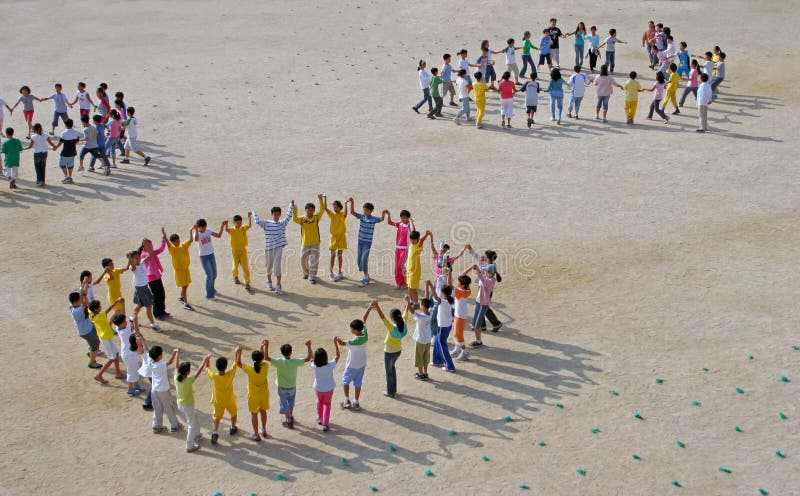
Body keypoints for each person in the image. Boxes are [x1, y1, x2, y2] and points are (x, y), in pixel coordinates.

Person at [264, 339, 313, 429]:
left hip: (282, 386)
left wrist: (266, 345)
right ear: (291, 352)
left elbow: (266, 358)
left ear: (282, 353)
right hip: (292, 386)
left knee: (284, 402)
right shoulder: (295, 362)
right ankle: (290, 415)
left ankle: (288, 418)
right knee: (291, 402)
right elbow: (309, 358)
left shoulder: (279, 362)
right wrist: (309, 346)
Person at [139, 345, 182, 434]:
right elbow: (170, 362)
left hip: (154, 390)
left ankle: (156, 426)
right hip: (163, 390)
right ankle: (174, 425)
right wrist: (175, 353)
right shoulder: (161, 364)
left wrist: (143, 342)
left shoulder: (150, 362)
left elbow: (147, 350)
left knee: (157, 408)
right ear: (159, 356)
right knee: (168, 407)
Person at [253, 201, 294, 294]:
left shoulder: (282, 223)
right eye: (274, 214)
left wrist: (291, 205)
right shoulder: (266, 223)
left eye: (278, 214)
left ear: (280, 215)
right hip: (269, 248)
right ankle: (269, 281)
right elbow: (257, 221)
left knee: (277, 266)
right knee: (269, 266)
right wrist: (253, 212)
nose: (276, 216)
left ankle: (279, 285)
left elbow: (289, 216)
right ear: (272, 215)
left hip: (278, 247)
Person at [373, 299, 411, 398]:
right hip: (398, 351)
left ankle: (390, 392)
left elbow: (383, 318)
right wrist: (408, 303)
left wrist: (377, 306)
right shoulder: (404, 325)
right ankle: (393, 389)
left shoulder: (392, 327)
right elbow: (405, 313)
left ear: (393, 319)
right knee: (392, 369)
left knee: (389, 372)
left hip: (389, 352)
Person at [175, 351, 210, 452]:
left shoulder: (176, 378)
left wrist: (177, 354)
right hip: (187, 405)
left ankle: (197, 434)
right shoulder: (188, 381)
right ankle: (189, 445)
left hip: (181, 404)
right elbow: (198, 372)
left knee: (193, 418)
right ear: (187, 372)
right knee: (191, 425)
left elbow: (176, 366)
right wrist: (204, 360)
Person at [338, 303, 371, 410]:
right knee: (358, 383)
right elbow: (364, 319)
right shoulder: (364, 334)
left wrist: (336, 339)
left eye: (352, 329)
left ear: (356, 330)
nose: (351, 330)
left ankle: (347, 400)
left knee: (345, 381)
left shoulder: (354, 341)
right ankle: (356, 402)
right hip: (362, 364)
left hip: (352, 365)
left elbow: (342, 343)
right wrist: (369, 308)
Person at [235, 341, 270, 441]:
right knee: (263, 411)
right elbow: (261, 359)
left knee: (254, 414)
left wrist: (239, 352)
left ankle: (256, 434)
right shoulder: (265, 366)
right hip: (264, 394)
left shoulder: (250, 369)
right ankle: (263, 429)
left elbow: (238, 363)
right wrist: (261, 347)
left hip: (253, 395)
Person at [88, 298, 126, 383]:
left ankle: (118, 373)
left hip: (106, 337)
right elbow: (108, 310)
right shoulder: (100, 316)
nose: (101, 307)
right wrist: (116, 302)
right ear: (95, 309)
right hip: (106, 338)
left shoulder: (91, 315)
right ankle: (99, 375)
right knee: (112, 358)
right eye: (99, 306)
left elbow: (88, 308)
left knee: (116, 354)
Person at [348, 198, 385, 286]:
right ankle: (366, 274)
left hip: (367, 242)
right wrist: (352, 202)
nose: (364, 211)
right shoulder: (362, 217)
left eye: (366, 210)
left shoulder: (374, 219)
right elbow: (353, 213)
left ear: (371, 211)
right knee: (359, 259)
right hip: (360, 241)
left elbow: (381, 219)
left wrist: (383, 213)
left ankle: (366, 277)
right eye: (364, 210)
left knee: (364, 259)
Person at [68, 280, 103, 370]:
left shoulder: (72, 307)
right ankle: (92, 362)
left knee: (93, 343)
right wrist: (83, 286)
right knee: (96, 344)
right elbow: (86, 304)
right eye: (80, 300)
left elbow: (81, 295)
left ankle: (91, 352)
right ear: (76, 301)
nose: (81, 301)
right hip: (87, 331)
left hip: (85, 329)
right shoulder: (78, 310)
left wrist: (83, 284)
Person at [293, 194, 326, 284]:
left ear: (314, 210)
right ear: (305, 210)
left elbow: (322, 210)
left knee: (314, 260)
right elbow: (294, 219)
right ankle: (306, 272)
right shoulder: (302, 219)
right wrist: (294, 207)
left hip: (315, 243)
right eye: (308, 209)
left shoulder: (316, 218)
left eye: (312, 209)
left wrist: (320, 199)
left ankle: (312, 276)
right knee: (303, 259)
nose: (310, 211)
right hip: (305, 243)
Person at [206, 352, 238, 445]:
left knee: (217, 417)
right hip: (229, 399)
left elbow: (207, 368)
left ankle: (215, 432)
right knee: (233, 414)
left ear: (217, 366)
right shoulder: (229, 374)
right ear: (225, 366)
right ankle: (232, 427)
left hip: (218, 400)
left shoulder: (214, 376)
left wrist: (208, 358)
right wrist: (237, 352)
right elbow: (235, 364)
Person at [126, 249, 161, 331]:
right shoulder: (132, 266)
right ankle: (153, 324)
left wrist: (146, 245)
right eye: (136, 258)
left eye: (139, 256)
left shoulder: (142, 261)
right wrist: (129, 259)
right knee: (149, 307)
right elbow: (134, 268)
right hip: (140, 289)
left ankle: (132, 318)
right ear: (132, 259)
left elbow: (151, 254)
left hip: (145, 287)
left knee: (140, 305)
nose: (138, 259)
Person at [311, 340, 340, 432]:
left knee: (319, 402)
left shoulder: (314, 365)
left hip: (318, 388)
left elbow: (311, 358)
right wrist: (335, 344)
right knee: (327, 404)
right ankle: (326, 423)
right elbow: (337, 356)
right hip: (329, 389)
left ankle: (320, 418)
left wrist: (309, 347)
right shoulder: (330, 365)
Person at [114, 313, 147, 396]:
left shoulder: (118, 328)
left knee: (134, 370)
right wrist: (135, 320)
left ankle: (136, 385)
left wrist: (132, 320)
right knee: (132, 372)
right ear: (121, 323)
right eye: (124, 321)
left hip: (128, 353)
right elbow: (136, 330)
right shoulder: (125, 331)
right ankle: (130, 389)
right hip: (130, 355)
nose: (126, 322)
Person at [428, 278, 456, 372]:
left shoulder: (444, 302)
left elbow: (436, 297)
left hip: (443, 327)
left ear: (444, 293)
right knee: (437, 341)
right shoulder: (448, 298)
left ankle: (449, 366)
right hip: (444, 325)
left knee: (442, 344)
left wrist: (430, 285)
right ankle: (437, 361)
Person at [194, 218, 226, 299]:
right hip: (204, 257)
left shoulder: (208, 230)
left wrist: (222, 226)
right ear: (199, 227)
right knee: (209, 275)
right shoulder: (197, 234)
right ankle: (209, 295)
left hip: (211, 254)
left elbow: (218, 235)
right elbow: (196, 239)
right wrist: (196, 230)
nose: (204, 228)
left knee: (214, 274)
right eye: (202, 227)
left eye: (205, 226)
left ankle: (211, 289)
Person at [165, 226, 195, 310]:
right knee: (184, 287)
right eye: (175, 241)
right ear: (172, 242)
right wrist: (165, 236)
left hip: (186, 269)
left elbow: (191, 240)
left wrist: (191, 230)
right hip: (179, 271)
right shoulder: (173, 250)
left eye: (178, 240)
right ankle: (185, 303)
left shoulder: (183, 245)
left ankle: (182, 297)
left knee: (186, 285)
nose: (177, 242)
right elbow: (168, 244)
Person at [141, 234, 170, 320]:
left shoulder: (152, 252)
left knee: (162, 294)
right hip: (151, 278)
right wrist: (145, 245)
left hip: (157, 276)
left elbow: (161, 249)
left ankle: (162, 311)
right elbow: (149, 254)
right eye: (149, 245)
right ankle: (157, 314)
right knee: (156, 296)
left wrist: (163, 239)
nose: (151, 246)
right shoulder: (143, 254)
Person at [469, 264, 497, 348]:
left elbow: (483, 280)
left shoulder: (491, 281)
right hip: (479, 302)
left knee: (477, 325)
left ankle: (478, 341)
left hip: (483, 304)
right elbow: (481, 278)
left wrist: (477, 270)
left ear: (490, 273)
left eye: (486, 271)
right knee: (474, 323)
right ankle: (478, 338)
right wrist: (478, 270)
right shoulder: (487, 277)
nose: (485, 272)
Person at [386, 209, 415, 289]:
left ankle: (405, 282)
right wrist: (388, 215)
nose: (402, 219)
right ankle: (399, 283)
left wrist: (411, 222)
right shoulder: (400, 224)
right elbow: (390, 223)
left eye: (404, 218)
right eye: (401, 217)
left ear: (408, 218)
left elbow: (413, 231)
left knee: (400, 266)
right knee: (397, 267)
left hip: (405, 249)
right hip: (397, 249)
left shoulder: (409, 226)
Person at [226, 212, 253, 291]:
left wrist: (249, 217)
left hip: (243, 250)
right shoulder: (231, 229)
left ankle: (247, 283)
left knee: (245, 266)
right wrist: (226, 224)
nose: (239, 223)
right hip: (235, 251)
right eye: (237, 222)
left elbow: (250, 225)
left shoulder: (243, 228)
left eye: (240, 222)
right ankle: (235, 276)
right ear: (234, 223)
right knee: (235, 266)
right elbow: (226, 229)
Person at [405, 229, 432, 303]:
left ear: (417, 239)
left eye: (414, 240)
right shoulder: (411, 245)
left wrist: (426, 235)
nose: (412, 241)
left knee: (413, 288)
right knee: (409, 287)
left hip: (415, 271)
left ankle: (416, 302)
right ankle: (411, 301)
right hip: (409, 270)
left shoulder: (418, 246)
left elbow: (421, 240)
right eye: (411, 240)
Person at [451, 271, 472, 360]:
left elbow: (449, 283)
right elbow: (462, 276)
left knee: (457, 334)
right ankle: (457, 348)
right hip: (458, 314)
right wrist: (471, 268)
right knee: (455, 332)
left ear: (462, 284)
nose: (458, 283)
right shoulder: (467, 289)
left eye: (459, 282)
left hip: (460, 315)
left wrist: (449, 273)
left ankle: (464, 351)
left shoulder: (460, 291)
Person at [51, 118, 80, 184]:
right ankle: (70, 177)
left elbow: (60, 143)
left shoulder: (63, 133)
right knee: (70, 165)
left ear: (65, 125)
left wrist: (55, 147)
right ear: (72, 125)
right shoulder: (76, 132)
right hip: (73, 151)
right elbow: (77, 141)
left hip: (65, 152)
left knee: (62, 164)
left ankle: (66, 176)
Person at [411, 294, 433, 380]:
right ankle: (425, 372)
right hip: (428, 339)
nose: (419, 306)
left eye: (420, 304)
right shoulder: (430, 313)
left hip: (420, 340)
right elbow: (426, 299)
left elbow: (412, 311)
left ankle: (421, 374)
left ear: (423, 307)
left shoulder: (421, 317)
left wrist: (408, 302)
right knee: (425, 356)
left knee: (419, 357)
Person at [325, 200, 347, 282]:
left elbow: (346, 213)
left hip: (342, 237)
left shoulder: (342, 214)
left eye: (336, 206)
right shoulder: (332, 214)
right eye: (333, 207)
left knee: (340, 255)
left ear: (339, 207)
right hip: (334, 237)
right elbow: (325, 208)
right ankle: (330, 272)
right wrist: (325, 198)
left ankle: (340, 272)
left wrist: (345, 204)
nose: (334, 208)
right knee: (332, 255)